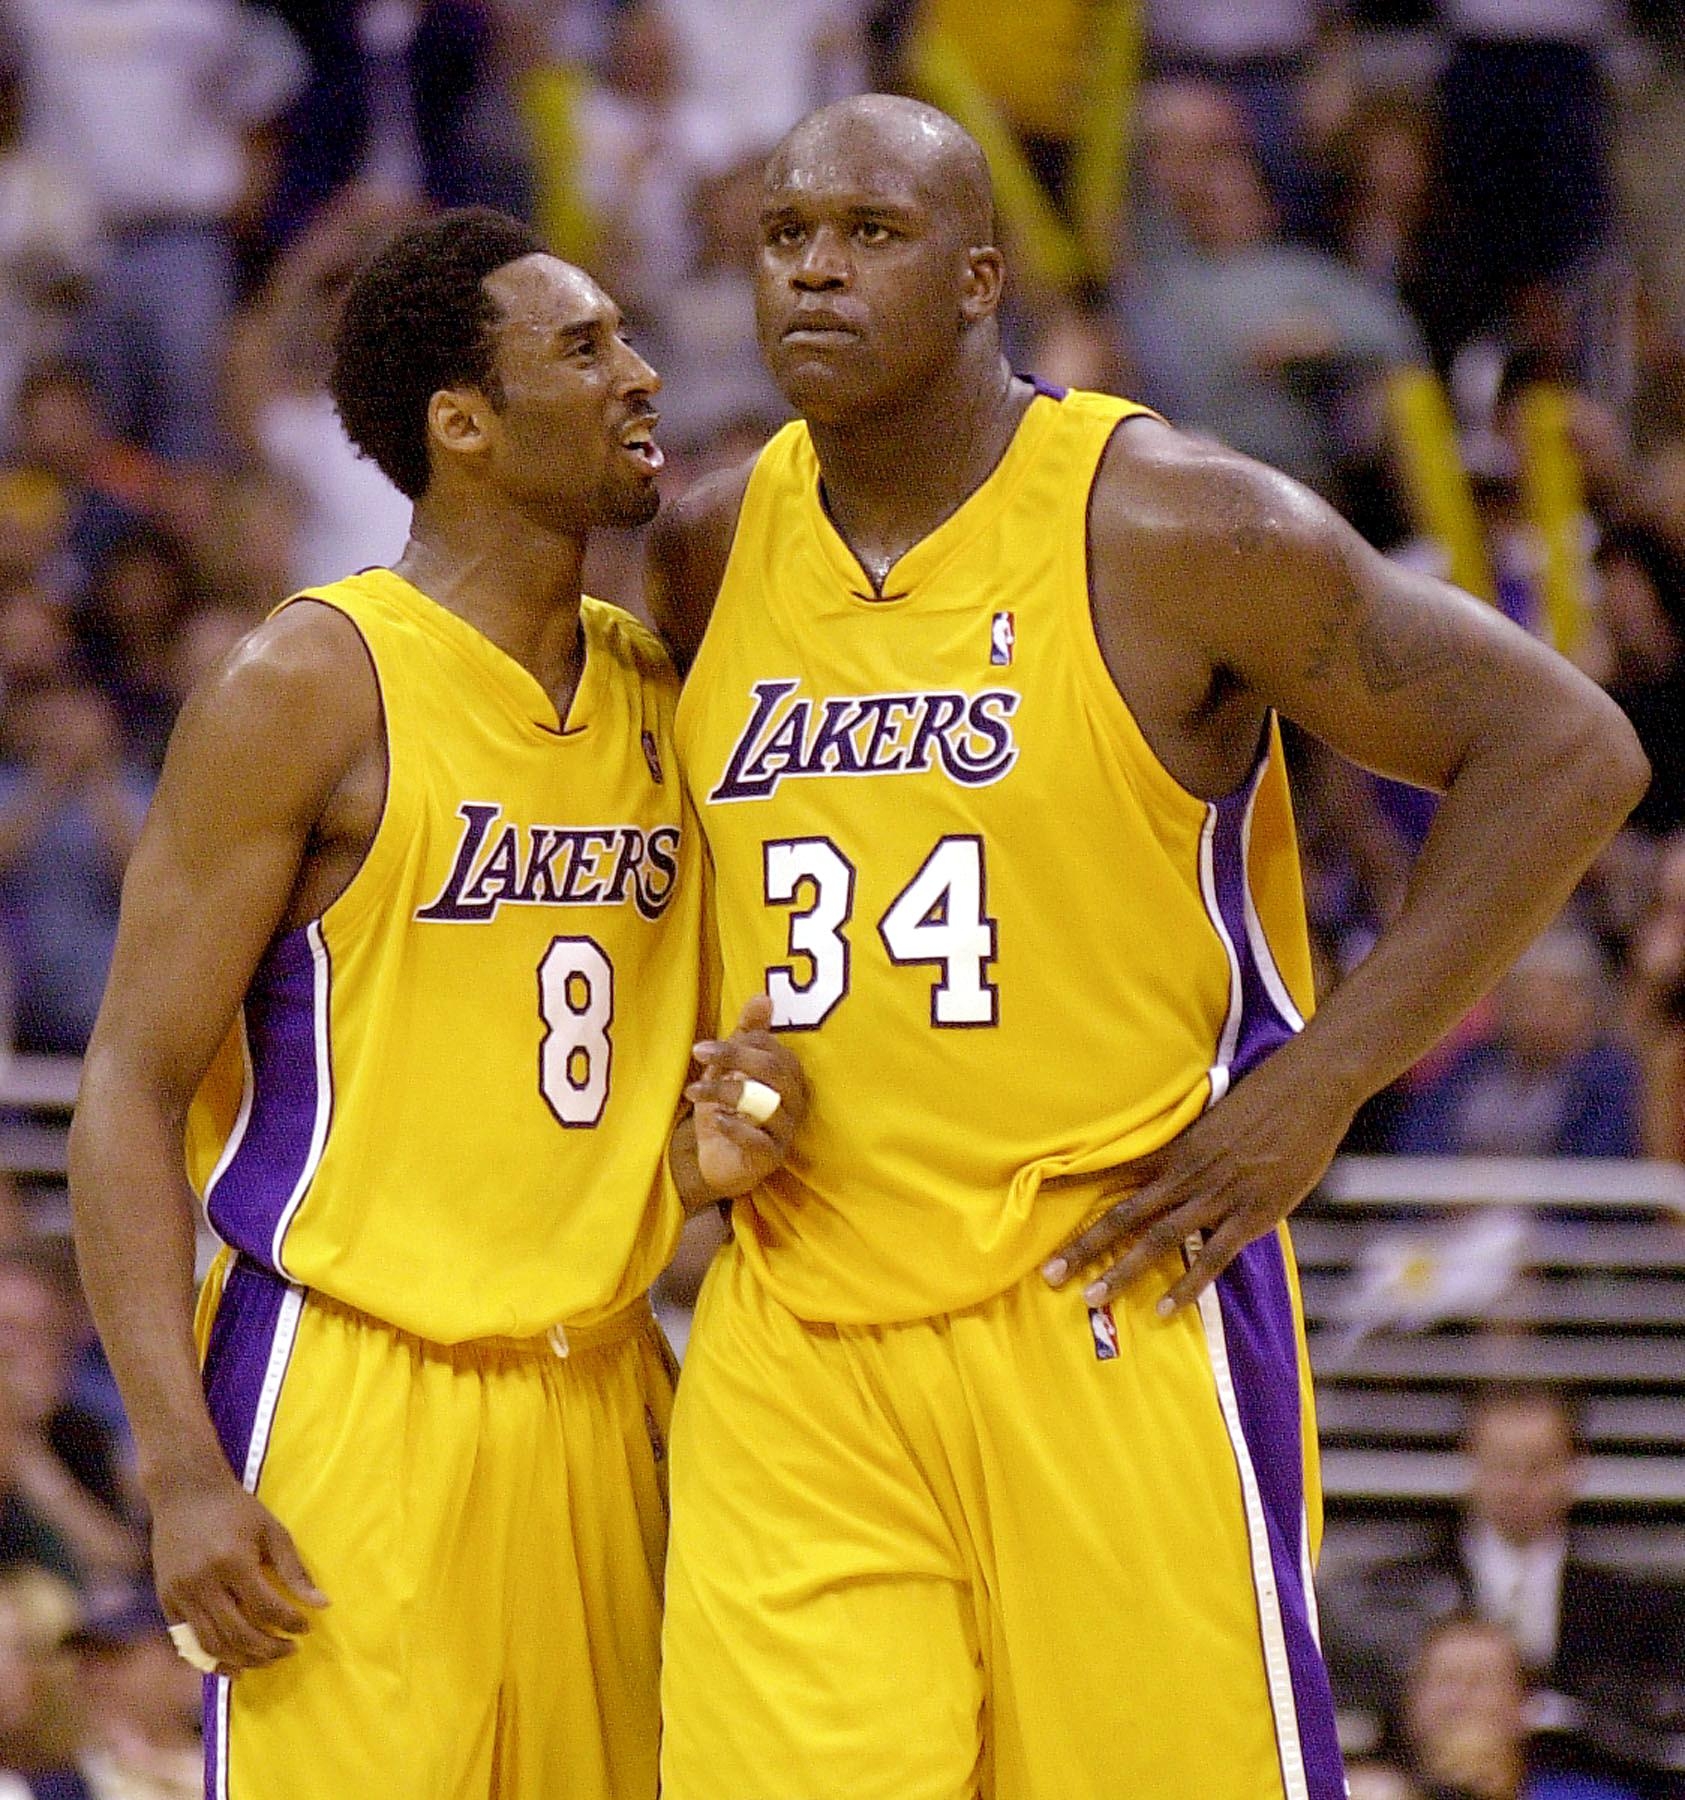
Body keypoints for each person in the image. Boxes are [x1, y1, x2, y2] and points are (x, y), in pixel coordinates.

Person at [649, 94, 1647, 1800]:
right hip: (797, 1332)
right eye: (785, 237)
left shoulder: (1175, 525)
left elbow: (1565, 752)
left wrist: (1322, 1083)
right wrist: (717, 1071)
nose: (813, 273)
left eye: (867, 237)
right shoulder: (709, 541)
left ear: (979, 281)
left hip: (1107, 1289)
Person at [67, 207, 804, 1799]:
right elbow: (125, 1088)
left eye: (626, 337)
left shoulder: (665, 690)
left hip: (606, 1391)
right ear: (460, 425)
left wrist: (705, 1139)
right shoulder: (311, 682)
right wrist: (180, 1473)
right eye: (583, 348)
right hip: (354, 1395)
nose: (641, 373)